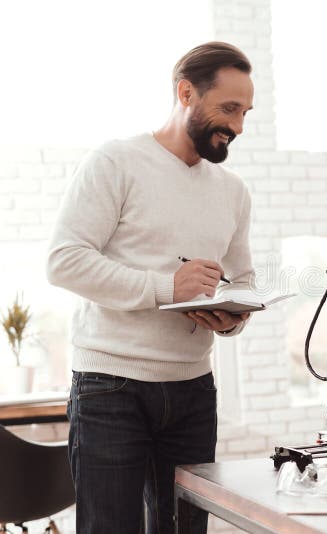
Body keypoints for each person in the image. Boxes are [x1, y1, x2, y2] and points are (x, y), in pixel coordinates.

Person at [46, 42, 256, 533]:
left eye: (245, 113)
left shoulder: (233, 191)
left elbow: (243, 280)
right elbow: (64, 261)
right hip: (109, 388)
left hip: (194, 391)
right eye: (229, 108)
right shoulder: (115, 162)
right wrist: (166, 287)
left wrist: (232, 317)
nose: (239, 126)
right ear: (186, 93)